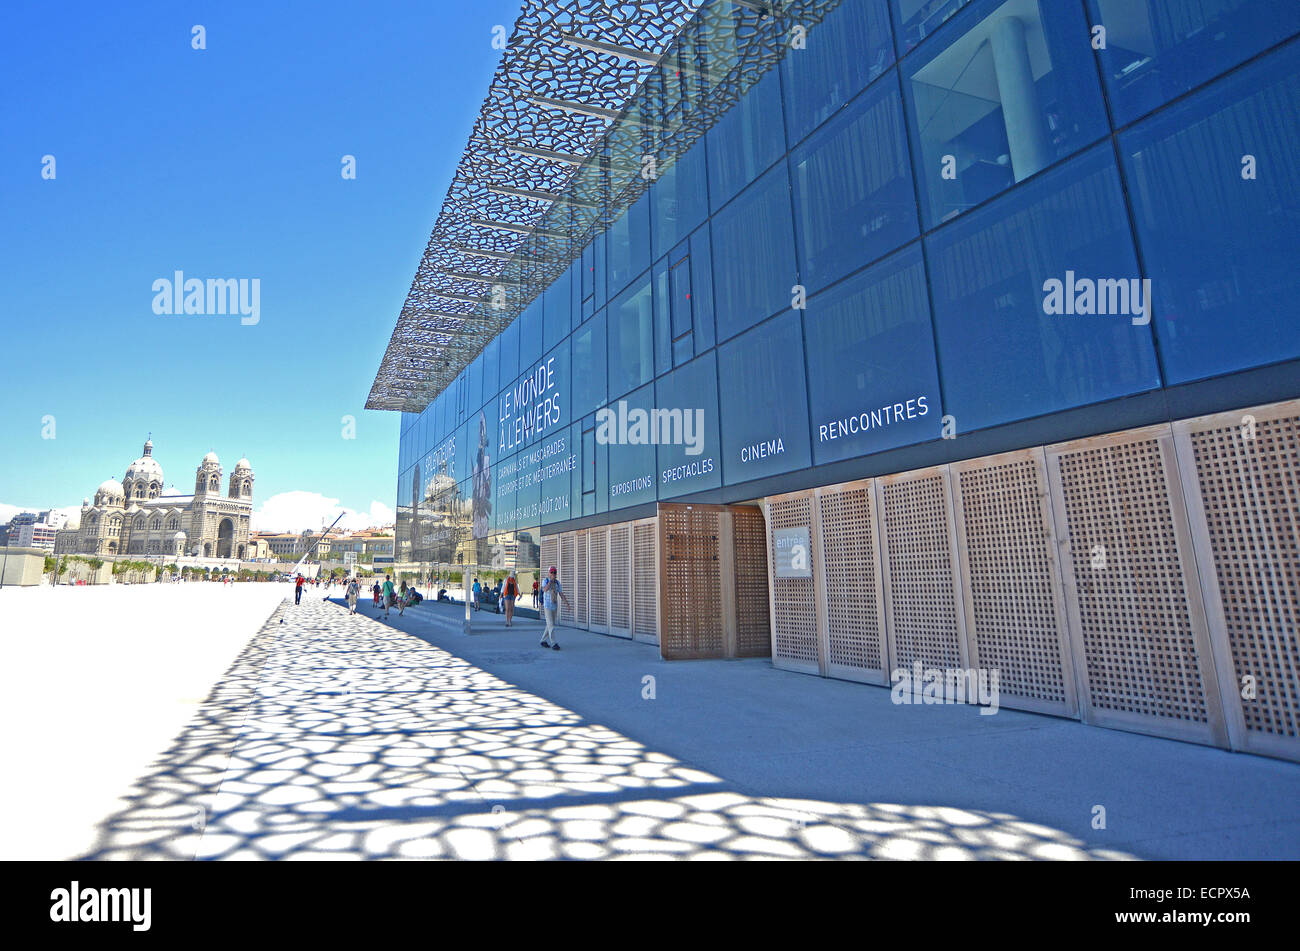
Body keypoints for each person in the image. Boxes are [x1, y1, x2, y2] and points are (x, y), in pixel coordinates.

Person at [539, 566, 571, 651]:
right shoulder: (545, 581)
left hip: (554, 606)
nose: (553, 574)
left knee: (550, 624)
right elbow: (544, 589)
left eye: (554, 572)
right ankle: (554, 643)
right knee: (551, 625)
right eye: (551, 572)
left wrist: (567, 604)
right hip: (547, 606)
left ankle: (543, 640)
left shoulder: (557, 583)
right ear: (549, 573)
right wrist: (550, 581)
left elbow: (561, 594)